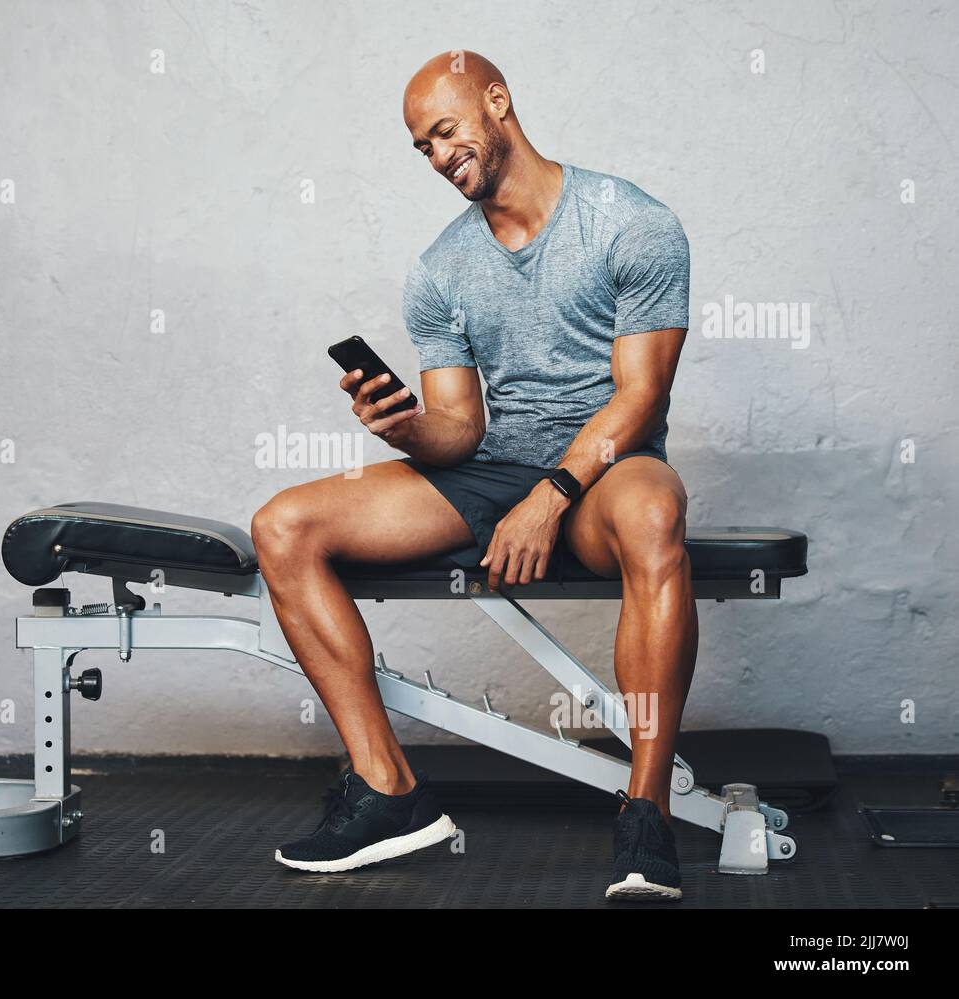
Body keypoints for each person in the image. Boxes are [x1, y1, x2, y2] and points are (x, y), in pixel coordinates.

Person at [252, 50, 693, 901]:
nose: (437, 154)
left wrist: (552, 494)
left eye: (446, 130)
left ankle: (647, 811)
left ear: (498, 103)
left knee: (653, 515)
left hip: (606, 472)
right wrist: (408, 424)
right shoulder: (441, 268)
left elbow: (641, 396)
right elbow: (460, 430)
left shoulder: (631, 224)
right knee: (285, 524)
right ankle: (389, 792)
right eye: (421, 147)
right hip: (496, 472)